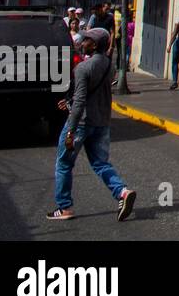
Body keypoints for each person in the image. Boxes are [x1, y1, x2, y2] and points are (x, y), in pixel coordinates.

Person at [47, 27, 135, 221]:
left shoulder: (83, 68)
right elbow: (92, 94)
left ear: (94, 45)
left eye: (86, 40)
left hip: (81, 123)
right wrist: (70, 101)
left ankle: (64, 207)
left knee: (63, 164)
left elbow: (80, 101)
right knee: (101, 163)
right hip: (102, 121)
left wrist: (70, 129)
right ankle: (122, 192)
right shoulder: (109, 66)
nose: (81, 43)